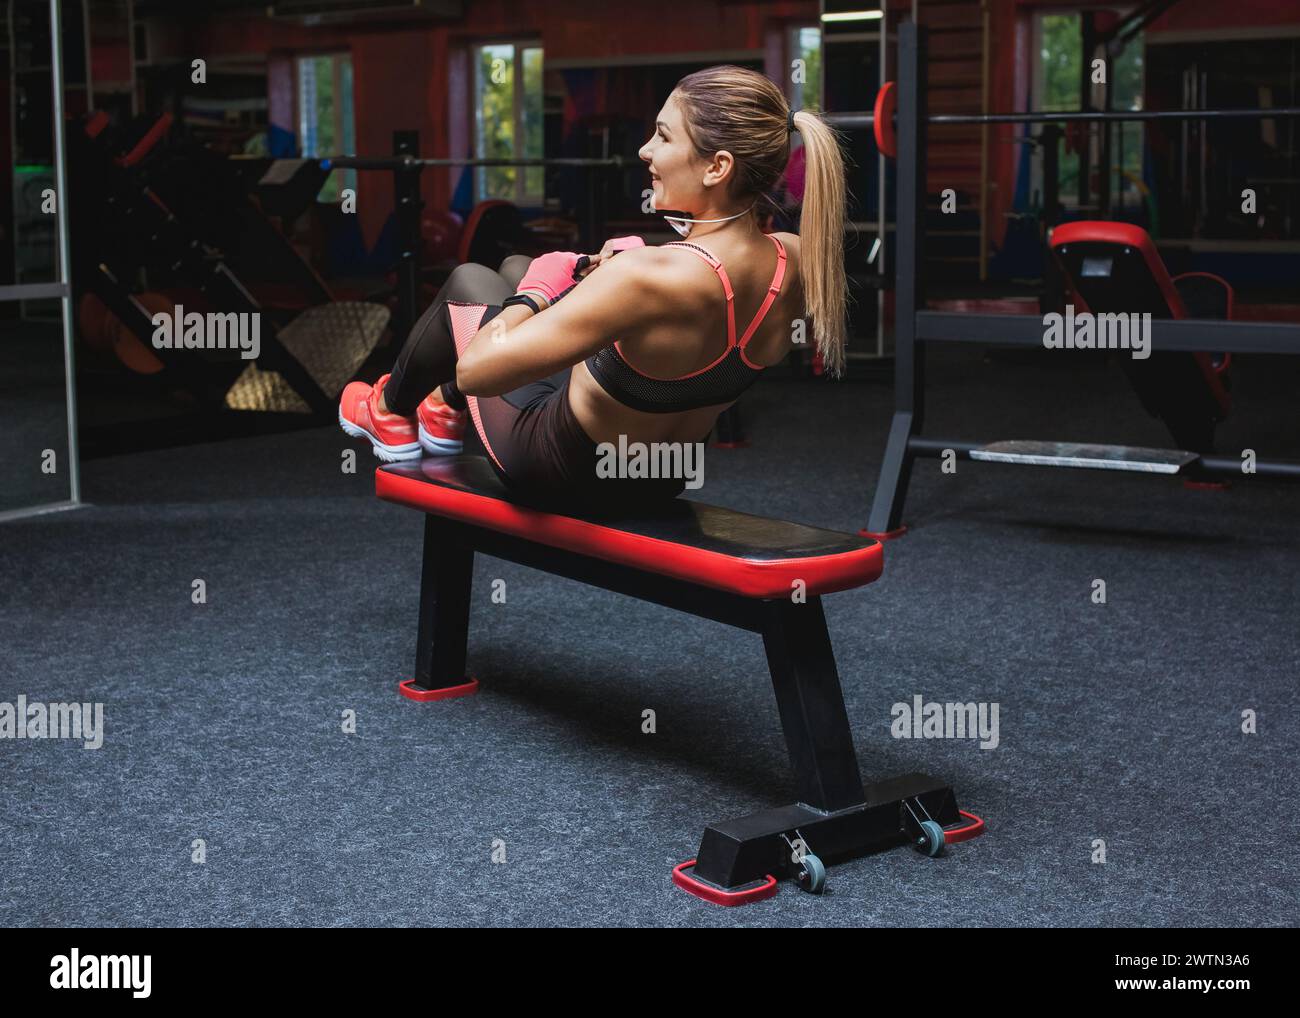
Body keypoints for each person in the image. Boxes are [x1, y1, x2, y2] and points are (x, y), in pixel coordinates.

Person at [339, 64, 847, 511]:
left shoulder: (647, 277)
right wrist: (608, 274)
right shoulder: (795, 257)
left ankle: (389, 411)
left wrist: (537, 292)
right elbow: (702, 291)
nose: (645, 150)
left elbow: (477, 371)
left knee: (474, 280)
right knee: (517, 263)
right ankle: (440, 409)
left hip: (560, 472)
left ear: (717, 167)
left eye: (664, 137)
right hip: (660, 477)